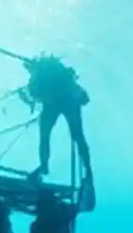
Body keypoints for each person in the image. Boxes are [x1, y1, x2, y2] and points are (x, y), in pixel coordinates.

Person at [19, 55, 92, 187]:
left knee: (45, 137)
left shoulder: (36, 77)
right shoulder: (55, 70)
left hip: (53, 105)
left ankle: (44, 167)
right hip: (68, 102)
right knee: (78, 136)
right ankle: (88, 168)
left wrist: (24, 97)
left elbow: (34, 98)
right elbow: (77, 90)